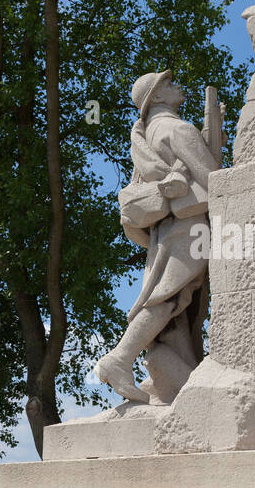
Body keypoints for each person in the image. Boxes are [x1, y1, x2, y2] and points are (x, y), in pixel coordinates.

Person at [94, 71, 219, 404]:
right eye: (169, 83)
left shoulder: (151, 132)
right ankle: (119, 358)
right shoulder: (179, 129)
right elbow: (215, 181)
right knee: (168, 297)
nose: (178, 85)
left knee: (178, 301)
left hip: (170, 228)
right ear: (157, 98)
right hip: (190, 227)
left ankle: (169, 374)